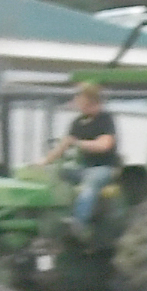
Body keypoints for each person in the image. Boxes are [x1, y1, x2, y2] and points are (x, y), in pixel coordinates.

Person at [43, 82, 122, 233]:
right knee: (57, 174)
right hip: (83, 168)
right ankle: (54, 215)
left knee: (89, 184)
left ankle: (78, 223)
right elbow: (63, 146)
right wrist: (44, 163)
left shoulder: (105, 119)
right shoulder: (77, 122)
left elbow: (104, 144)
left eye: (80, 98)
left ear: (90, 100)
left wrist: (78, 143)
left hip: (104, 168)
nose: (77, 101)